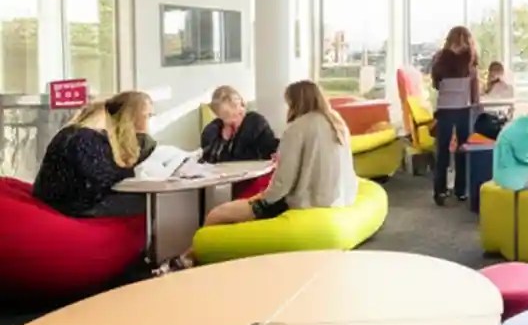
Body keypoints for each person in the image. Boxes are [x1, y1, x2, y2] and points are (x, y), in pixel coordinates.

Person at [154, 80, 358, 274]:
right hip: (337, 198)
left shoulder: (296, 128)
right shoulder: (337, 122)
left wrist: (261, 200)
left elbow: (282, 184)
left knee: (216, 214)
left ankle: (189, 258)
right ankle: (187, 257)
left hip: (303, 202)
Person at [33, 92, 154, 217]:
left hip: (63, 202)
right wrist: (134, 164)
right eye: (147, 116)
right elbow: (102, 178)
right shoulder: (84, 137)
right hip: (69, 207)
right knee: (151, 203)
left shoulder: (76, 133)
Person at [431, 26, 481, 206]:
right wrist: (477, 103)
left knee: (442, 151)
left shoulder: (439, 58)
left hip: (445, 109)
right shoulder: (472, 59)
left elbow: (436, 84)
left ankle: (440, 191)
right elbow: (475, 88)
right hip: (464, 108)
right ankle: (461, 190)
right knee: (463, 149)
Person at [199, 85, 278, 164]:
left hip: (253, 171)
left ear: (243, 107)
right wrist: (224, 140)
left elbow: (270, 149)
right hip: (226, 174)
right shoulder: (212, 130)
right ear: (219, 116)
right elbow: (208, 160)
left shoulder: (256, 123)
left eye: (239, 114)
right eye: (228, 118)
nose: (236, 122)